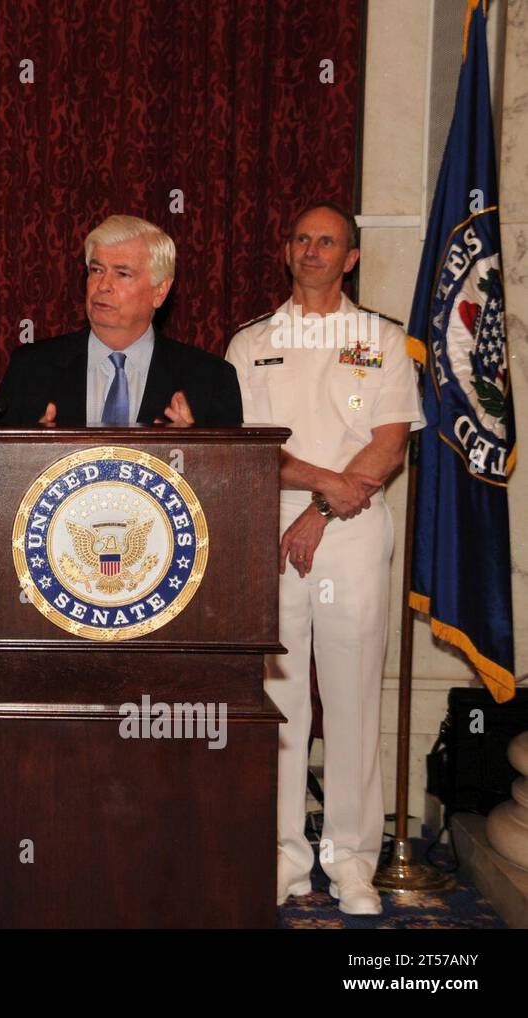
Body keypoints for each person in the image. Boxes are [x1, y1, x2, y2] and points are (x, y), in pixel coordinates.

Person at [225, 203, 423, 915]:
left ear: (351, 259)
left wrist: (322, 508)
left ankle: (351, 862)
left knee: (350, 697)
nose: (312, 250)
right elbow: (248, 445)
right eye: (301, 238)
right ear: (287, 251)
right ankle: (283, 855)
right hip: (269, 524)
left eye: (328, 241)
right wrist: (316, 488)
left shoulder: (383, 339)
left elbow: (389, 443)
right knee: (276, 701)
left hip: (354, 526)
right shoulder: (251, 342)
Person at [0, 214, 242, 428]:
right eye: (96, 270)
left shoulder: (210, 380)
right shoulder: (32, 369)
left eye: (122, 274)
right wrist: (31, 448)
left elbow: (234, 479)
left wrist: (195, 450)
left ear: (160, 291)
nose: (102, 286)